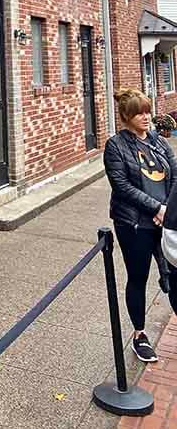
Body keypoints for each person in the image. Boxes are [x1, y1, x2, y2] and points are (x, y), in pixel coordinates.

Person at [104, 88, 177, 362]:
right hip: (134, 224)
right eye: (139, 113)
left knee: (174, 272)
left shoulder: (157, 141)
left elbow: (174, 173)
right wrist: (156, 208)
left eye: (148, 111)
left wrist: (168, 209)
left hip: (166, 220)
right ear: (126, 116)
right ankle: (139, 334)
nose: (146, 117)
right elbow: (121, 186)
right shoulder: (116, 146)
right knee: (138, 277)